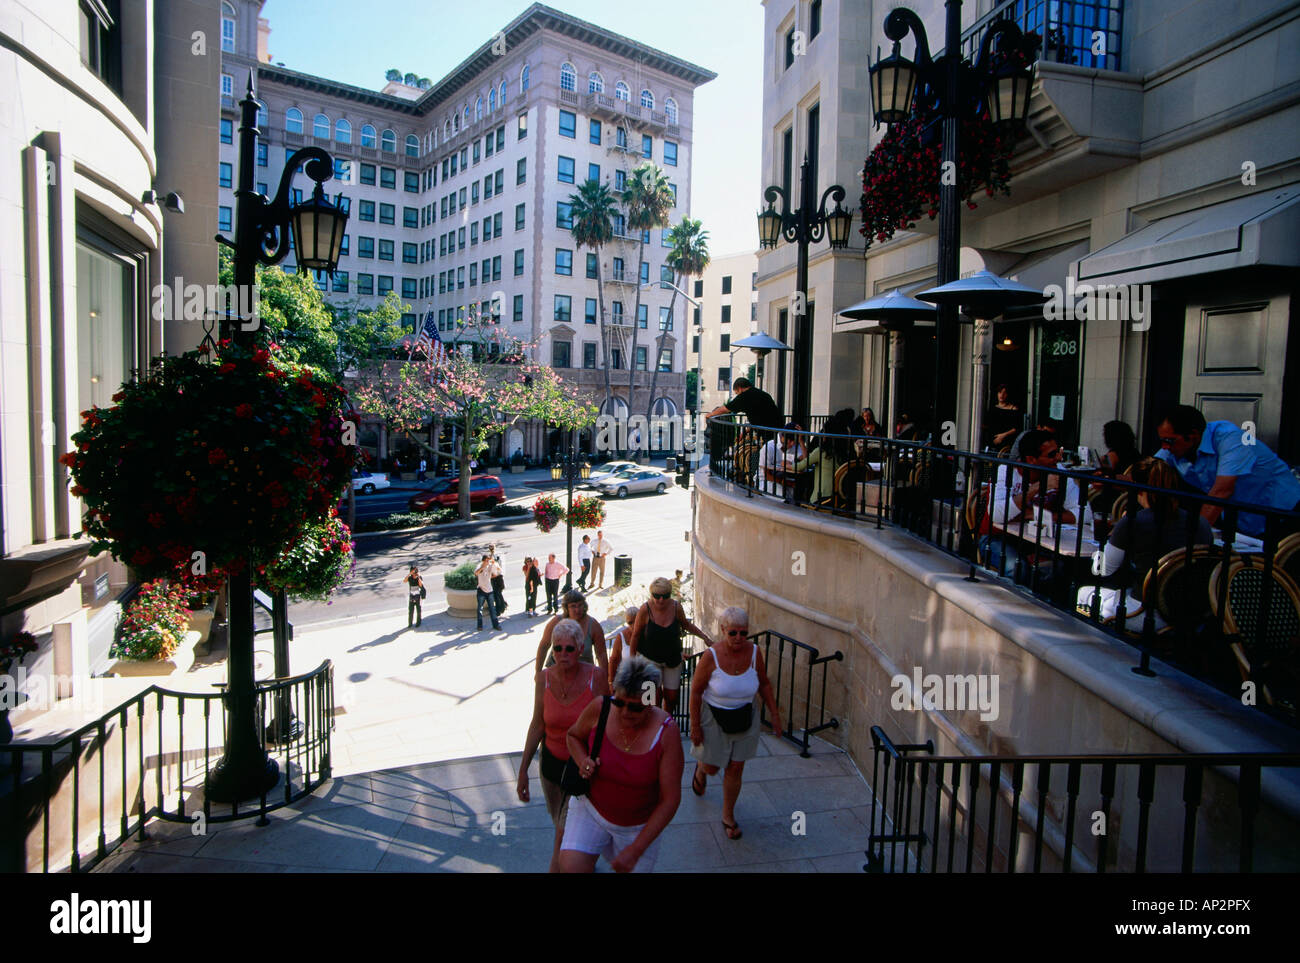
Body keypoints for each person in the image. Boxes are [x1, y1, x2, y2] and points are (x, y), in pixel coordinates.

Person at [558, 656, 684, 873]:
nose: (625, 712)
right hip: (592, 810)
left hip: (637, 827)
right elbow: (573, 736)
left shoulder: (666, 733)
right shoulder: (600, 708)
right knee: (571, 868)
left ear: (650, 701)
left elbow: (670, 800)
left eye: (635, 707)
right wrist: (582, 761)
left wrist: (636, 850)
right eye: (619, 702)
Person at [518, 618, 609, 872]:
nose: (562, 654)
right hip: (551, 768)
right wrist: (523, 770)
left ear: (580, 649)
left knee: (563, 832)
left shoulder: (596, 677)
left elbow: (607, 723)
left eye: (569, 648)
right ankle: (582, 860)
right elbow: (537, 724)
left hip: (582, 769)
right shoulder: (543, 679)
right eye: (557, 648)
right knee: (561, 823)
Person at [1075, 460, 1215, 624]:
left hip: (1145, 613)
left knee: (1083, 593)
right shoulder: (1201, 523)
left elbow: (1102, 570)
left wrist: (1108, 539)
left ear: (1138, 488)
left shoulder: (1133, 521)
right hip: (1190, 614)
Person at [688, 607, 782, 841]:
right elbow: (696, 692)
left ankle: (728, 816)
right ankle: (701, 769)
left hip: (745, 716)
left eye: (743, 633)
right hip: (714, 716)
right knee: (712, 767)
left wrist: (775, 714)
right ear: (723, 631)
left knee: (736, 768)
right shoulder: (711, 656)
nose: (739, 638)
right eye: (733, 633)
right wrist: (695, 726)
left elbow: (764, 683)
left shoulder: (754, 653)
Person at [1154, 404, 1300, 538]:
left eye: (1169, 441)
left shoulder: (1231, 438)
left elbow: (1222, 491)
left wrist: (1191, 540)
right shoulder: (1174, 447)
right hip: (1244, 519)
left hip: (1283, 514)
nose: (1165, 447)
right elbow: (1147, 471)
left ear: (1193, 435)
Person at [983, 429, 1089, 585]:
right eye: (1052, 455)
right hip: (997, 537)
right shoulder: (1008, 471)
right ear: (1031, 459)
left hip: (1039, 540)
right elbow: (997, 515)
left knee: (1070, 567)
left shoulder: (1060, 473)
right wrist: (1035, 489)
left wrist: (1034, 515)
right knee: (1017, 568)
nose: (1059, 458)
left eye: (1059, 452)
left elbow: (1085, 514)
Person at [629, 576, 712, 715]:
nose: (661, 600)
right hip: (649, 659)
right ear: (651, 595)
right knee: (651, 697)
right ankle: (651, 724)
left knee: (672, 697)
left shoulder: (676, 607)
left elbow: (686, 624)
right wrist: (632, 663)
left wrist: (705, 637)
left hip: (672, 659)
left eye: (665, 596)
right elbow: (636, 635)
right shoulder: (645, 609)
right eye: (657, 596)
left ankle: (666, 721)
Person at [535, 590, 609, 678]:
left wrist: (604, 678)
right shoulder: (556, 622)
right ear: (566, 608)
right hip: (556, 675)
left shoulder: (593, 625)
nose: (577, 610)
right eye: (573, 606)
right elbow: (544, 646)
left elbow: (601, 655)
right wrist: (538, 672)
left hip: (584, 676)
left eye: (580, 605)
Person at [706, 377, 781, 430]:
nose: (738, 395)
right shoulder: (762, 394)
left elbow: (726, 409)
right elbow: (759, 414)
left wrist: (711, 414)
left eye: (737, 393)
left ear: (740, 388)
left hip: (767, 431)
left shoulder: (745, 396)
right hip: (776, 428)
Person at [606, 606, 639, 686]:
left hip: (648, 680)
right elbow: (613, 660)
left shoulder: (648, 633)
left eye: (636, 621)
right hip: (628, 682)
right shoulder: (621, 637)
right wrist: (611, 682)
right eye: (630, 622)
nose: (634, 625)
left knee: (651, 698)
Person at [985, 384, 1021, 451]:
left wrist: (1003, 436)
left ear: (1008, 394)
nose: (1002, 395)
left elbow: (1016, 428)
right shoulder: (992, 408)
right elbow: (988, 425)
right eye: (1000, 392)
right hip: (992, 442)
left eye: (1004, 393)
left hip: (1006, 443)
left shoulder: (1013, 409)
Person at [474, 554, 501, 631]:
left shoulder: (490, 565)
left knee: (492, 608)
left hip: (489, 590)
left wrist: (494, 564)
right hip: (481, 590)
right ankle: (480, 626)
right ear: (483, 560)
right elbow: (476, 573)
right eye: (486, 560)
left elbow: (496, 573)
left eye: (488, 560)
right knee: (480, 609)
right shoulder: (479, 565)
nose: (487, 562)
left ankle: (496, 625)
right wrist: (483, 567)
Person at [489, 549, 507, 615]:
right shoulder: (492, 565)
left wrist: (491, 576)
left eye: (491, 560)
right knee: (498, 595)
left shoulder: (496, 565)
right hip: (496, 581)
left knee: (497, 596)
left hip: (498, 581)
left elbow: (499, 572)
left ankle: (499, 610)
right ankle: (502, 607)